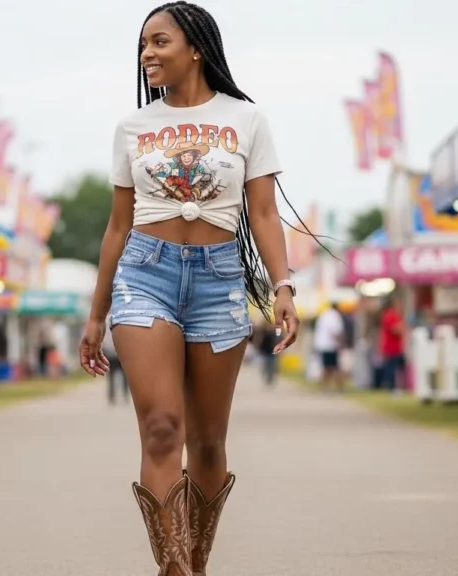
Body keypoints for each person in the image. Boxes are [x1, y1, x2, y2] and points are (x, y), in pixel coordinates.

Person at [77, 3, 320, 572]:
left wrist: (283, 285)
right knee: (162, 428)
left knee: (208, 442)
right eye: (142, 46)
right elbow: (117, 226)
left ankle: (197, 559)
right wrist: (96, 315)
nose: (147, 55)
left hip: (219, 282)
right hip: (145, 275)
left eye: (159, 42)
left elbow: (262, 213)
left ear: (196, 48)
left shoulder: (246, 120)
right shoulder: (132, 128)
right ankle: (173, 568)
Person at [313, 303, 346, 392]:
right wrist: (340, 344)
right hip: (331, 345)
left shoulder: (324, 315)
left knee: (326, 367)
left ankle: (326, 386)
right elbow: (335, 332)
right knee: (334, 367)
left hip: (322, 345)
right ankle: (339, 387)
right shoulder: (335, 316)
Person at [379, 297, 406, 393]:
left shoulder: (396, 315)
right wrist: (402, 329)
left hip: (396, 346)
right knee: (391, 367)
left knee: (397, 367)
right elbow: (395, 329)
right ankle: (391, 387)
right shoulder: (390, 315)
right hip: (391, 347)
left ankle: (398, 386)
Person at [101, 321, 129, 405]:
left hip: (110, 353)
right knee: (124, 376)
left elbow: (103, 339)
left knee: (111, 376)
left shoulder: (105, 321)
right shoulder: (121, 320)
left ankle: (112, 396)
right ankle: (124, 394)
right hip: (120, 352)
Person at [255, 322, 279, 386]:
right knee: (265, 367)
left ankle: (270, 379)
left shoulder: (274, 334)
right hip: (265, 353)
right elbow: (260, 343)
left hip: (272, 353)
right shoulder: (264, 334)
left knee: (271, 367)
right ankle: (266, 378)